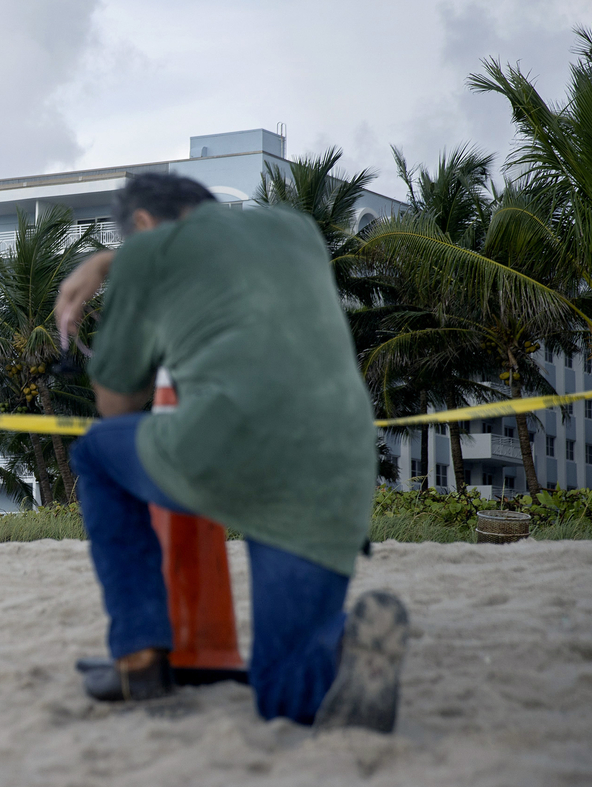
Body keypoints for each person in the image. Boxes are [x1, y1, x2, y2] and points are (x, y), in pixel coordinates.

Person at [53, 172, 409, 732]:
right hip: (339, 467)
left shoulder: (148, 251)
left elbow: (117, 404)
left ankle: (139, 661)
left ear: (142, 225)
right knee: (285, 691)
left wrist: (112, 275)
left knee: (99, 452)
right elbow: (217, 256)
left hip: (231, 450)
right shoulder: (295, 229)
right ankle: (341, 647)